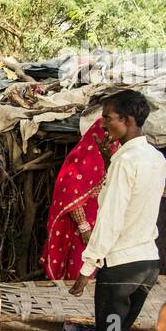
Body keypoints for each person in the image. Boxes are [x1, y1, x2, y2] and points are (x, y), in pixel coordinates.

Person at [69, 90, 166, 331]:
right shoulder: (156, 159)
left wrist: (88, 265)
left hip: (120, 268)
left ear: (127, 120)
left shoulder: (126, 162)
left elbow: (111, 219)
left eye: (109, 117)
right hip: (145, 265)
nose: (105, 122)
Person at [42, 118, 120, 282]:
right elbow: (71, 193)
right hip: (85, 226)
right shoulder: (85, 156)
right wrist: (84, 227)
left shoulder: (118, 158)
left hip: (105, 224)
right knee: (80, 268)